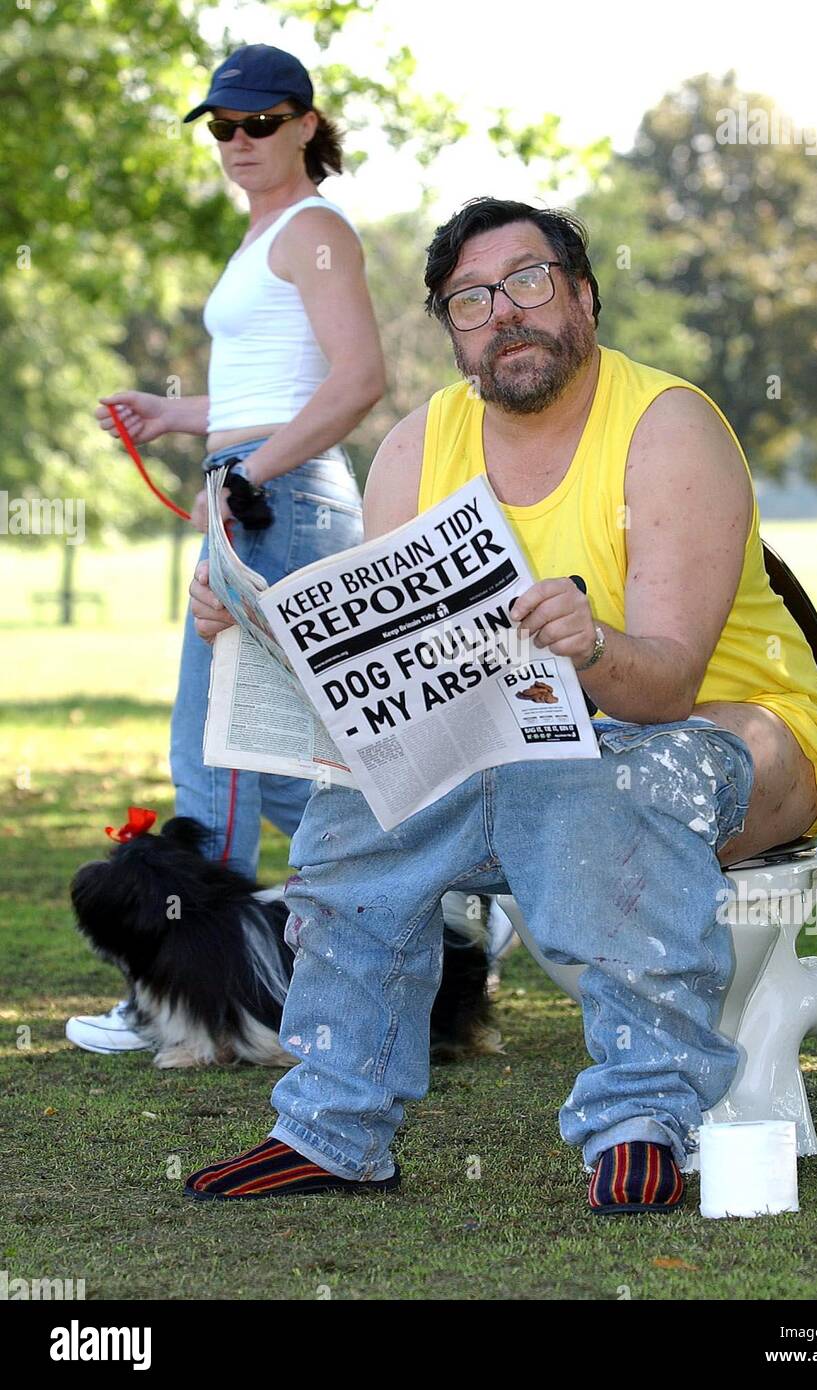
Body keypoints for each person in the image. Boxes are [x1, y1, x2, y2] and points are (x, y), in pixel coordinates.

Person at [182, 197, 817, 1214]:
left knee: (603, 778)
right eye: (470, 299)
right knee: (356, 811)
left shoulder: (668, 424)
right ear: (451, 332)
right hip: (512, 741)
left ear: (579, 295)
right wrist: (259, 630)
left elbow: (666, 682)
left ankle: (637, 1119)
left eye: (528, 282)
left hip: (728, 735)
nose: (504, 312)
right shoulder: (415, 443)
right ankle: (328, 1125)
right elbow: (381, 664)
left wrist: (588, 644)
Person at [67, 44, 383, 1056]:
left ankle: (186, 1000)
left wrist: (249, 473)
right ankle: (446, 906)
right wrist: (178, 413)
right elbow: (272, 388)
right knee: (295, 767)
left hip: (272, 498)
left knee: (219, 755)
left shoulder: (315, 229)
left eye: (259, 123)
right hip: (257, 488)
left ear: (304, 124)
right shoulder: (265, 237)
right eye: (221, 127)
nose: (237, 143)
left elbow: (356, 379)